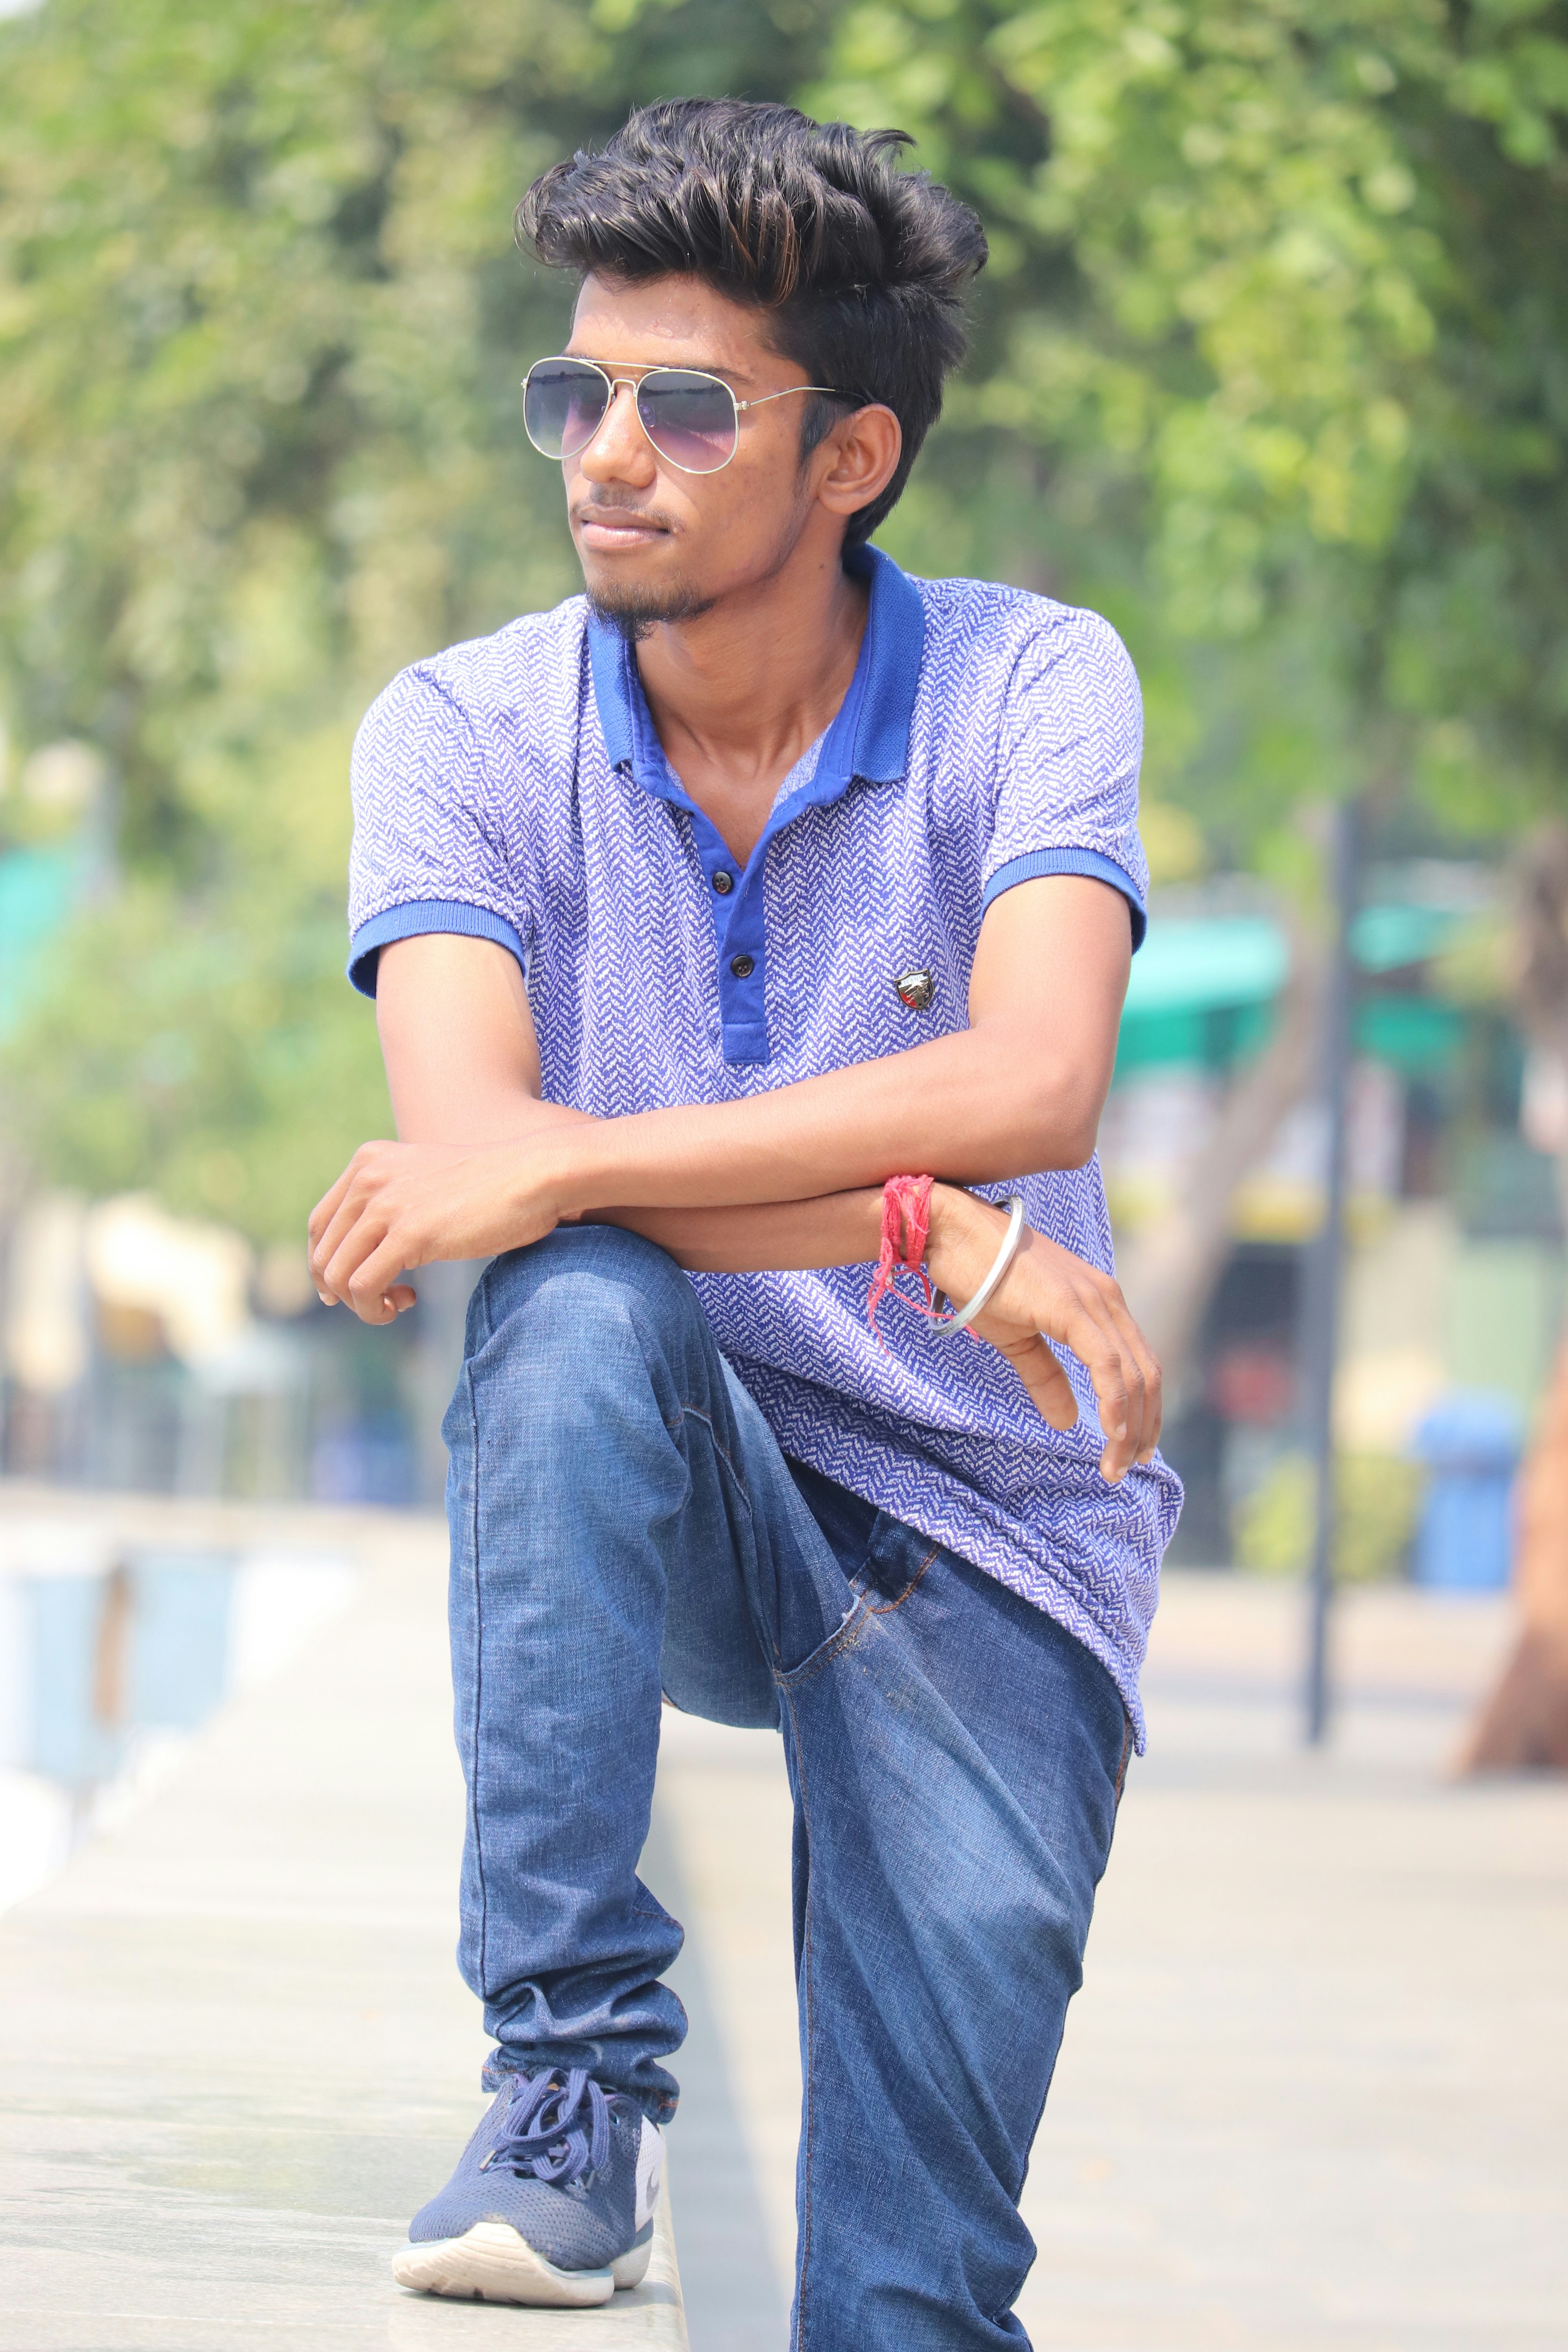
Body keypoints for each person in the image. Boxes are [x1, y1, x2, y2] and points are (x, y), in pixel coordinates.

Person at [308, 96, 1180, 2350]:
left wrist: (591, 1157)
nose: (608, 449)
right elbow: (481, 1178)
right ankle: (574, 2076)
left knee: (907, 2301)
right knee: (577, 1313)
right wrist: (943, 1229)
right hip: (673, 1471)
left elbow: (1036, 1079)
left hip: (996, 1524)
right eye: (573, 393)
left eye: (686, 405)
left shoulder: (1029, 681)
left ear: (852, 458)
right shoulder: (461, 732)